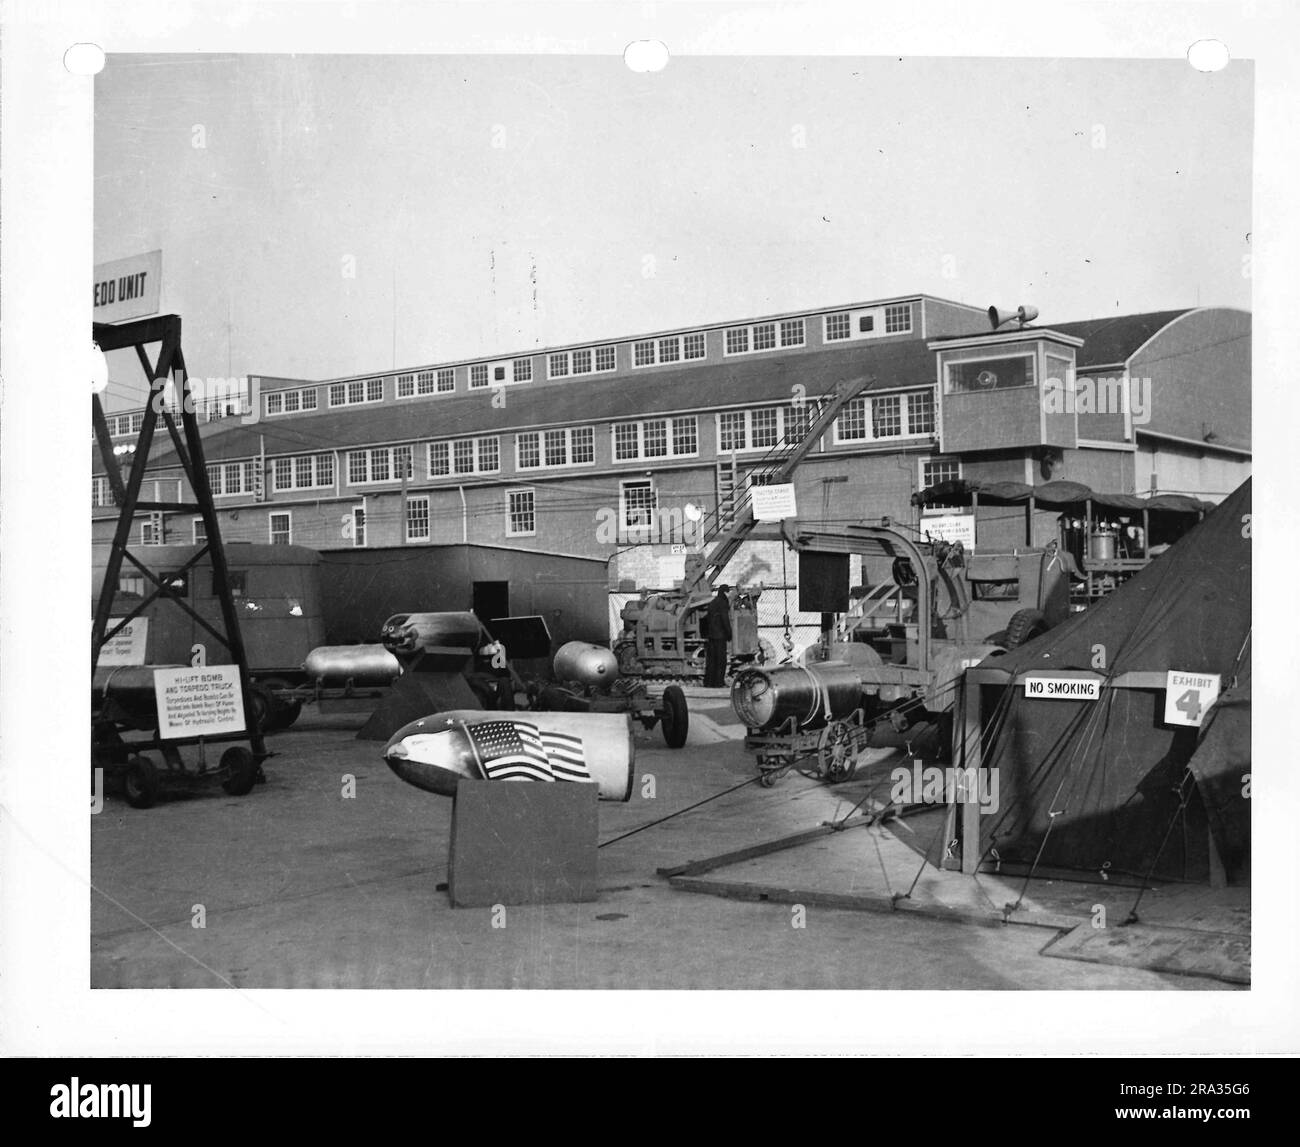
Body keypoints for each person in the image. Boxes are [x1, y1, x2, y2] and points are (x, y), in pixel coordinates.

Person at [703, 585, 732, 688]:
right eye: (728, 592)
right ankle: (719, 683)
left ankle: (709, 682)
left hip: (711, 635)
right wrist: (729, 633)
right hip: (720, 636)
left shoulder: (712, 602)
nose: (729, 595)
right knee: (721, 661)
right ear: (725, 592)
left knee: (711, 661)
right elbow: (725, 619)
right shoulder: (723, 603)